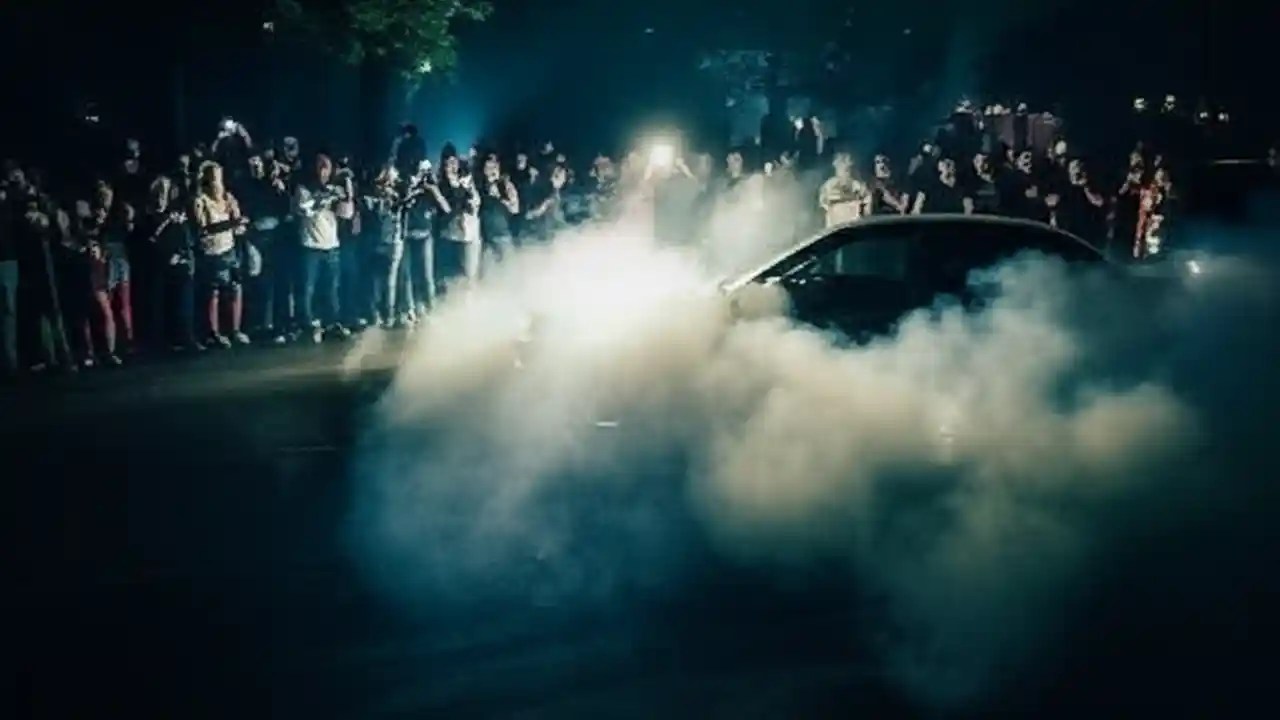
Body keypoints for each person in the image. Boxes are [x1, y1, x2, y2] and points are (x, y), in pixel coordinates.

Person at [293, 153, 351, 343]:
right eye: (319, 167)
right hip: (310, 246)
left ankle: (331, 323)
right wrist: (327, 195)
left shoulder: (335, 190)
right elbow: (305, 210)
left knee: (331, 287)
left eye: (326, 167)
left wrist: (347, 193)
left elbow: (347, 214)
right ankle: (308, 324)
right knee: (308, 288)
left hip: (331, 245)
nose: (323, 171)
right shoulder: (303, 189)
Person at [191, 161, 250, 348]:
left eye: (219, 178)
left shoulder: (227, 197)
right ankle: (213, 333)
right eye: (213, 178)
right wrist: (230, 224)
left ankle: (235, 330)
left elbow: (237, 221)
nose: (217, 182)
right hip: (211, 252)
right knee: (213, 292)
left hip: (229, 248)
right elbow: (203, 228)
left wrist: (239, 221)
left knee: (236, 288)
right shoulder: (201, 200)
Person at [141, 175, 199, 350]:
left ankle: (187, 337)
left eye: (165, 193)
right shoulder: (148, 215)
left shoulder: (177, 214)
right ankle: (165, 341)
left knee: (184, 303)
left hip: (179, 264)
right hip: (158, 267)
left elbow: (186, 238)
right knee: (162, 304)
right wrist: (167, 222)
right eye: (159, 193)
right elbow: (150, 241)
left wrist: (182, 256)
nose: (162, 198)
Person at [362, 165, 406, 327]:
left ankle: (389, 315)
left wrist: (393, 199)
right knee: (375, 281)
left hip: (394, 242)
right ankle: (375, 314)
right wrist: (380, 199)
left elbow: (401, 211)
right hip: (377, 241)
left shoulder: (398, 197)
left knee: (390, 281)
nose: (388, 185)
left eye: (391, 181)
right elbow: (373, 212)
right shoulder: (373, 197)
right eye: (385, 182)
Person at [436, 154, 482, 293]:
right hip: (449, 235)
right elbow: (447, 209)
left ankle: (470, 300)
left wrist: (467, 188)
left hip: (468, 235)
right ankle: (451, 300)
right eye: (448, 164)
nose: (451, 167)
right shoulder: (441, 186)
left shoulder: (467, 183)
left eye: (454, 163)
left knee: (469, 274)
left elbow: (475, 204)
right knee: (449, 275)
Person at [478, 154, 519, 269]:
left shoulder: (506, 185)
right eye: (488, 168)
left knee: (508, 271)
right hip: (485, 238)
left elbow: (515, 209)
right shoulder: (480, 186)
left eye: (494, 167)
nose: (491, 171)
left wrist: (499, 197)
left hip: (502, 236)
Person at [818, 152, 870, 226]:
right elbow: (822, 210)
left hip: (855, 228)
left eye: (846, 163)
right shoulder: (828, 186)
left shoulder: (859, 186)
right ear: (835, 165)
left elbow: (867, 212)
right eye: (841, 163)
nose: (844, 167)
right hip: (835, 229)